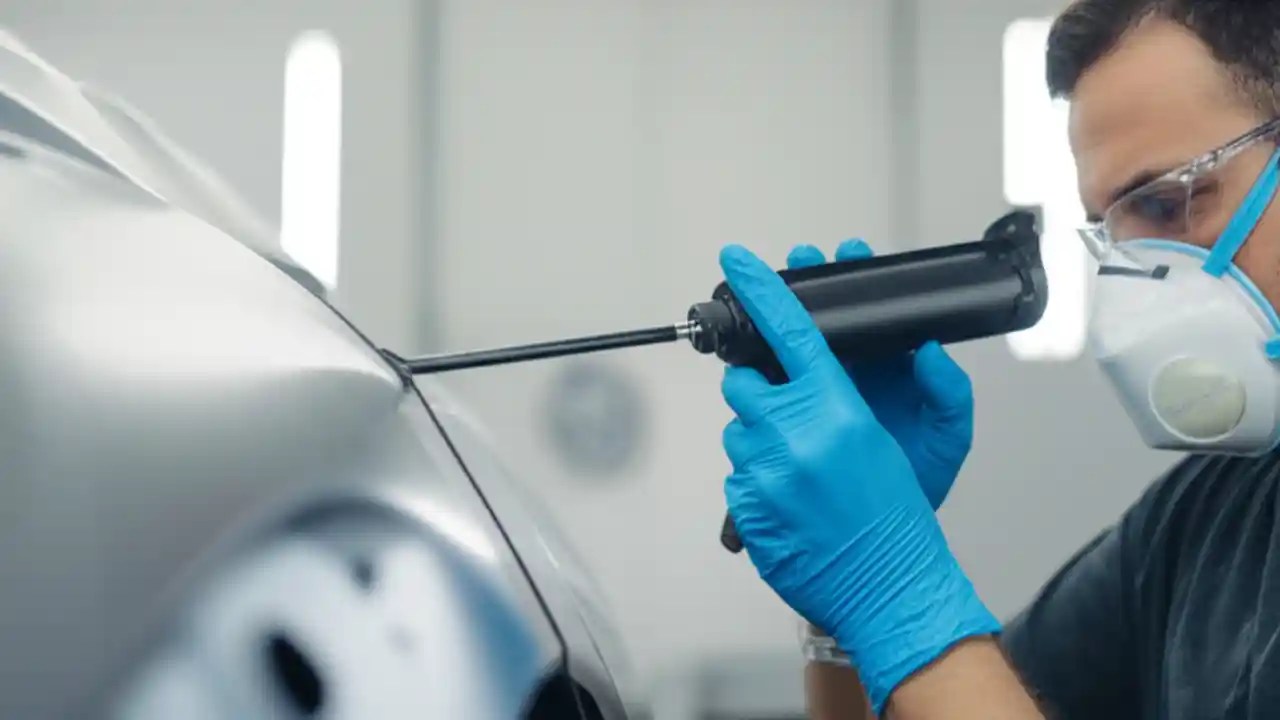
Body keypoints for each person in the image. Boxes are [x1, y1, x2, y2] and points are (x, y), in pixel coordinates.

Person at [718, 1, 1280, 718]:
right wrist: (846, 612)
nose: (1147, 280)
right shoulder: (1206, 518)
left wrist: (894, 590)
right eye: (1118, 234)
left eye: (1170, 205)